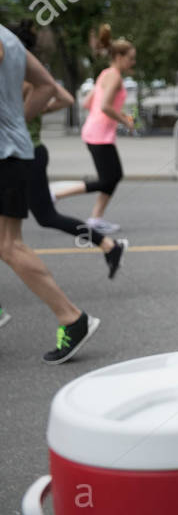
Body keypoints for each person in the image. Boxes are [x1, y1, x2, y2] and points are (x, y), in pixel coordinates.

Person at [0, 23, 99, 363]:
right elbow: (46, 87)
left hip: (4, 158)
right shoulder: (10, 39)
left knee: (9, 245)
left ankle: (72, 318)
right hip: (12, 150)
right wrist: (14, 121)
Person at [14, 22, 126, 277]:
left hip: (24, 154)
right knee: (45, 217)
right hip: (30, 151)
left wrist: (27, 113)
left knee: (40, 220)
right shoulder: (32, 74)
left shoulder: (18, 77)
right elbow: (65, 98)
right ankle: (108, 245)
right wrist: (40, 108)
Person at [51, 24, 135, 235]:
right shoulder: (114, 76)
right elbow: (105, 106)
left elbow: (88, 102)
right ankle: (57, 193)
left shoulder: (105, 73)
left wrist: (110, 113)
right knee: (109, 177)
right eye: (131, 58)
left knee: (113, 176)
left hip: (96, 131)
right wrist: (125, 119)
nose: (133, 62)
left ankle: (96, 218)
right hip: (99, 134)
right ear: (119, 57)